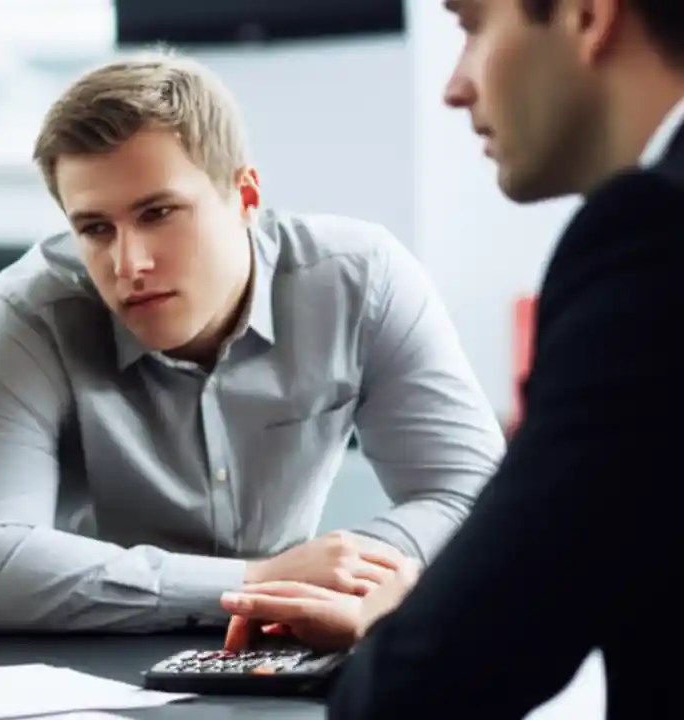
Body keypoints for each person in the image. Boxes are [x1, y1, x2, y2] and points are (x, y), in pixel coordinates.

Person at [0, 53, 505, 632]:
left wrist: (346, 575)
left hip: (284, 644)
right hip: (82, 650)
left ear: (246, 196)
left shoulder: (360, 280)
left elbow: (475, 494)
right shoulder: (26, 316)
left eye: (158, 213)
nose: (129, 264)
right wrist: (257, 583)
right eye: (96, 228)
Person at [222, 0, 684, 717]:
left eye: (472, 26)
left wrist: (406, 628)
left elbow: (435, 681)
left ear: (588, 16)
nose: (453, 87)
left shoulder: (650, 241)